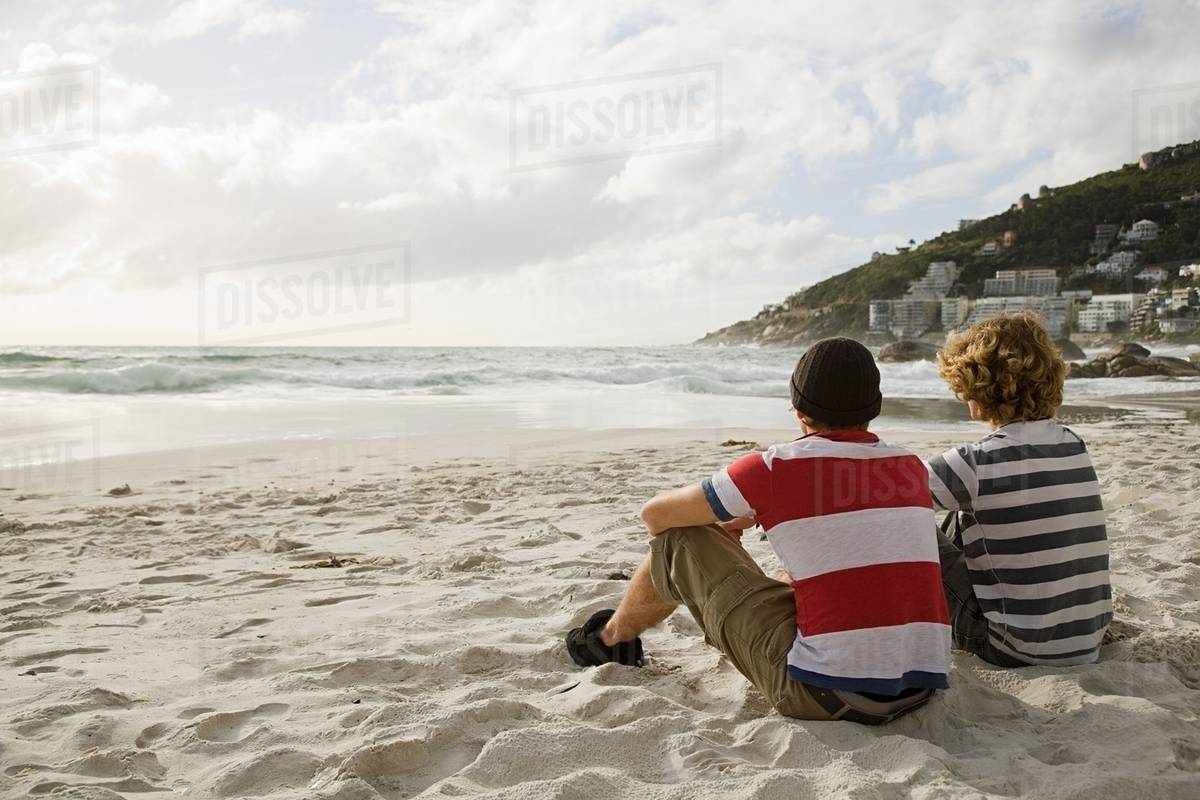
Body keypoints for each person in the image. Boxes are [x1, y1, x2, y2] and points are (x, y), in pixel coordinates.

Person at [565, 338, 950, 724]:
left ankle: (609, 641)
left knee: (679, 538)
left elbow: (655, 517)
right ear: (873, 409)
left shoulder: (775, 468)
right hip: (919, 685)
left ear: (798, 409)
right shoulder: (909, 465)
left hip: (830, 694)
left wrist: (722, 519)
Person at [926, 312, 1112, 667]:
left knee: (911, 519)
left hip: (1012, 647)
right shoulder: (1073, 444)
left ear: (977, 385)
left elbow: (885, 499)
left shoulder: (974, 462)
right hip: (1087, 640)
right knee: (960, 511)